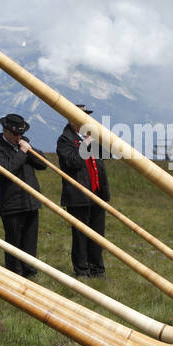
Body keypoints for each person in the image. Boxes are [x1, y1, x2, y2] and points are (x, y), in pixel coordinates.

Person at [0, 113, 45, 277]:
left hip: (30, 202)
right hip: (12, 205)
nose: (19, 137)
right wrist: (21, 152)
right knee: (14, 243)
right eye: (15, 134)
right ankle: (14, 274)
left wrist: (29, 150)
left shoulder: (25, 147)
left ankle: (30, 273)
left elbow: (42, 164)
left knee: (30, 242)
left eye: (21, 134)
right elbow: (6, 171)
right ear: (5, 131)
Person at [56, 104, 109, 277]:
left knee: (97, 234)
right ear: (72, 120)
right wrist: (84, 145)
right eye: (81, 117)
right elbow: (73, 162)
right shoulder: (64, 140)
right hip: (78, 196)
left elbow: (107, 154)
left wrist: (101, 140)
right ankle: (82, 270)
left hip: (97, 193)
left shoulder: (91, 137)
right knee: (80, 235)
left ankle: (97, 269)